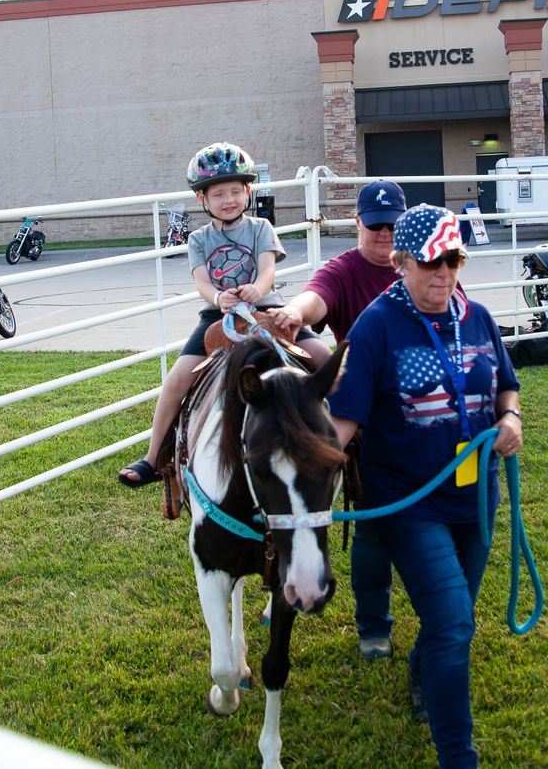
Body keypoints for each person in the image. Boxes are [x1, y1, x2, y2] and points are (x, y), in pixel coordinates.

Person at [326, 205, 521, 768]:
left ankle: (422, 675)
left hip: (478, 497)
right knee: (455, 622)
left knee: (448, 622)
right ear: (401, 262)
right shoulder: (376, 326)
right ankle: (459, 757)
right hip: (408, 504)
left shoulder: (477, 316)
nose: (445, 274)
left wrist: (511, 420)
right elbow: (344, 422)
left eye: (454, 261)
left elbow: (506, 386)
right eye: (432, 263)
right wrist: (305, 486)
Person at [117, 142, 316, 486]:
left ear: (248, 192)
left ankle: (349, 435)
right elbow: (202, 282)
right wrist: (219, 297)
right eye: (219, 193)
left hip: (266, 309)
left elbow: (268, 269)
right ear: (202, 200)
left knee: (322, 357)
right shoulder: (198, 239)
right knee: (177, 380)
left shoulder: (260, 228)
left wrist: (257, 287)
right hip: (218, 317)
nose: (229, 200)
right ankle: (153, 456)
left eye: (236, 192)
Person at [268, 178, 407, 660]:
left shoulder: (423, 266)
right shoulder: (345, 270)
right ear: (358, 224)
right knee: (371, 525)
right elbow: (317, 297)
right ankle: (373, 626)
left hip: (424, 412)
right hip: (370, 415)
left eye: (393, 225)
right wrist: (292, 311)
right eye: (375, 226)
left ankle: (443, 615)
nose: (385, 234)